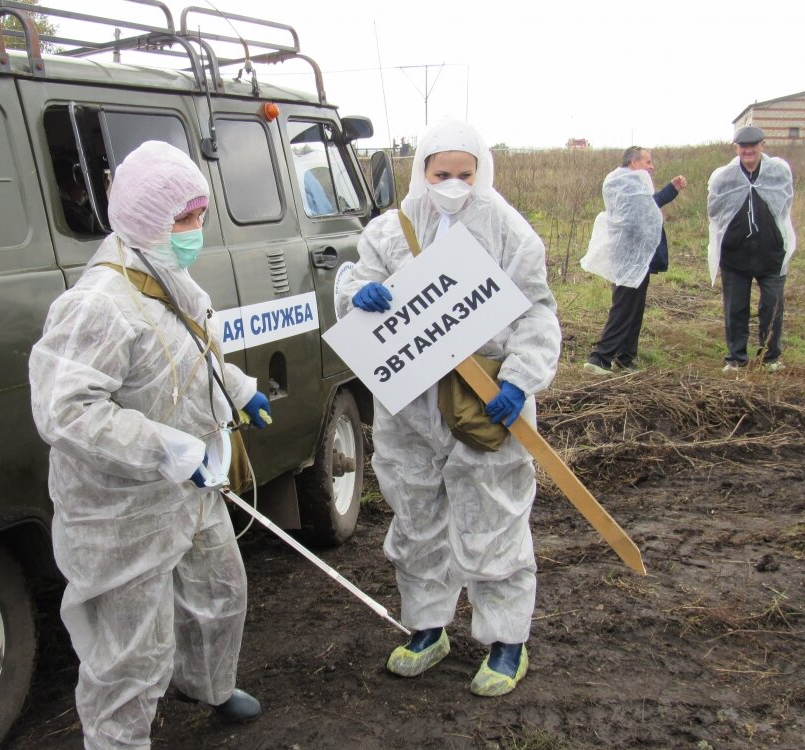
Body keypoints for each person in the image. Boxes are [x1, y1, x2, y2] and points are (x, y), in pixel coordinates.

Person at [29, 141, 271, 749]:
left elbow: (194, 352)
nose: (196, 230)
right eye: (184, 218)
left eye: (199, 215)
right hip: (123, 508)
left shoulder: (165, 272)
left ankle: (209, 685)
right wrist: (168, 449)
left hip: (190, 486)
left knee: (220, 592)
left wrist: (240, 389)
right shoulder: (97, 305)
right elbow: (66, 411)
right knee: (131, 647)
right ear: (143, 215)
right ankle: (118, 741)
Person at [334, 119, 560, 697]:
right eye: (442, 173)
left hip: (485, 395)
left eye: (465, 173)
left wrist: (519, 378)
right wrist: (358, 295)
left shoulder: (510, 232)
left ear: (481, 172)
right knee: (414, 513)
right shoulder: (392, 231)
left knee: (493, 513)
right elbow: (356, 284)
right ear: (422, 173)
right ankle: (427, 627)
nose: (454, 183)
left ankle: (507, 639)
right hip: (410, 400)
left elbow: (536, 312)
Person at [581, 147, 687, 375]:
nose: (651, 166)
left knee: (634, 308)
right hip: (629, 257)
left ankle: (625, 358)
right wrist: (670, 190)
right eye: (647, 161)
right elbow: (641, 212)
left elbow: (648, 206)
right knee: (624, 308)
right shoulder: (624, 182)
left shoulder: (632, 184)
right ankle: (599, 359)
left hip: (638, 258)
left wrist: (671, 190)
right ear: (633, 162)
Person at [707, 125, 796, 373]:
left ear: (762, 146)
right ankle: (736, 358)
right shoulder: (724, 177)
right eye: (743, 146)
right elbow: (714, 211)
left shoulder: (778, 172)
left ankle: (770, 357)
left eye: (753, 146)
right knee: (736, 307)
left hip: (771, 252)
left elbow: (785, 201)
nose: (748, 150)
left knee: (772, 305)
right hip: (736, 254)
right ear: (737, 148)